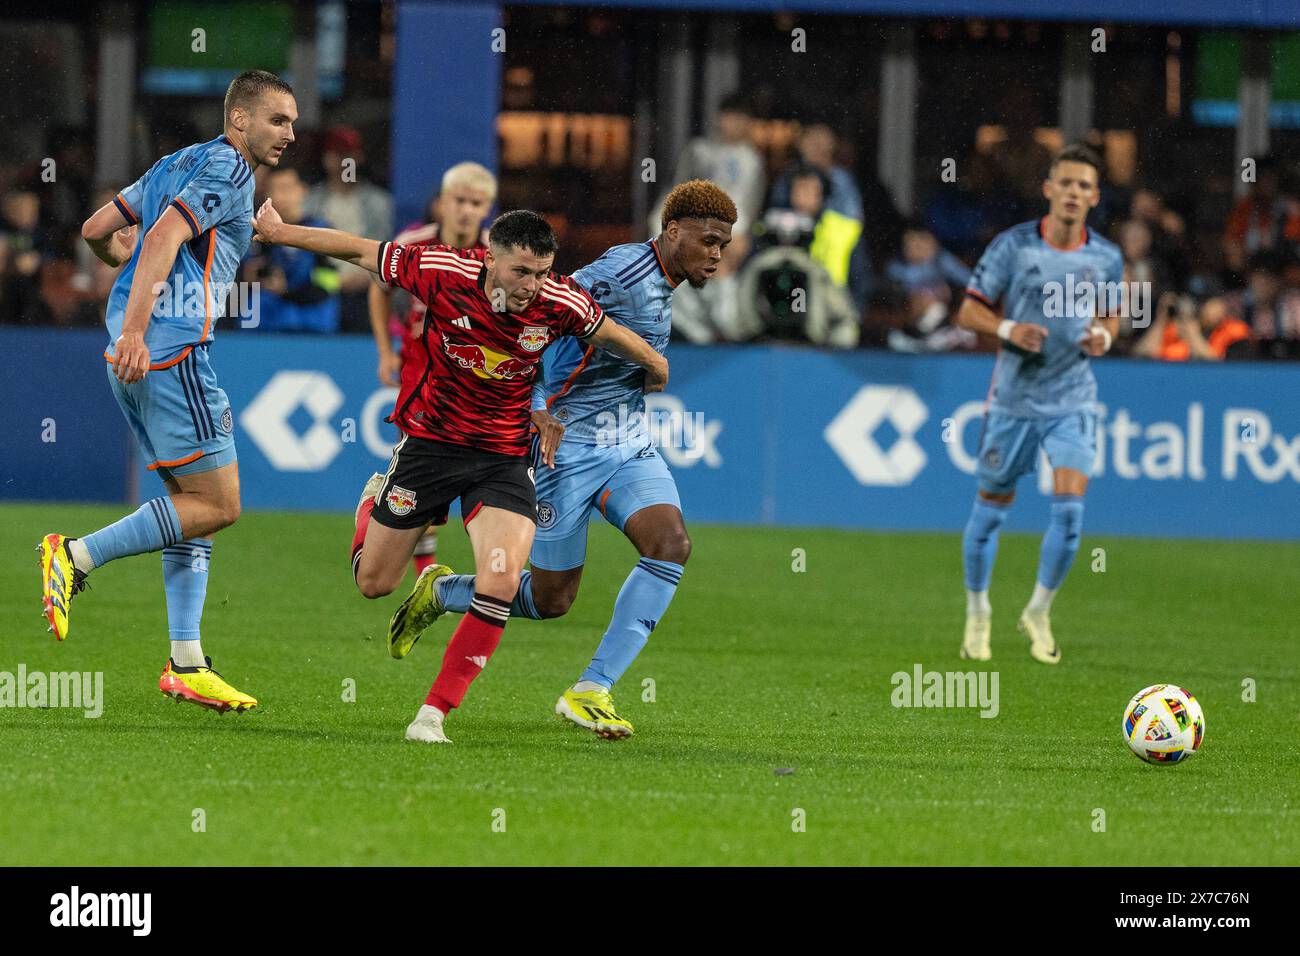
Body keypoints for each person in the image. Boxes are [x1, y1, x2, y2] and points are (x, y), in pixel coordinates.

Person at [250, 203, 669, 744]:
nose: (532, 286)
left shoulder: (560, 300)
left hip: (501, 456)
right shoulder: (442, 270)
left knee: (497, 581)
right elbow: (358, 250)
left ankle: (433, 715)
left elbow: (607, 331)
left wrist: (655, 364)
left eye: (542, 273)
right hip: (430, 446)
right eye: (521, 272)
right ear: (490, 257)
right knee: (374, 583)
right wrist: (281, 233)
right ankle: (372, 503)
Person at [416, 179, 736, 739]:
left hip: (627, 441)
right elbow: (535, 312)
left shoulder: (663, 281)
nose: (715, 255)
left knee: (671, 544)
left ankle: (591, 689)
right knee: (550, 598)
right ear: (674, 231)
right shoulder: (620, 277)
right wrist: (536, 405)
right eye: (708, 241)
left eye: (723, 247)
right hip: (564, 451)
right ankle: (442, 592)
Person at [38, 70, 298, 713]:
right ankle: (75, 556)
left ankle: (186, 661)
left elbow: (99, 228)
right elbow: (159, 238)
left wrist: (122, 298)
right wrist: (136, 330)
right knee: (222, 503)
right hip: (170, 352)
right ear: (240, 120)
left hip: (133, 357)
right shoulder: (230, 170)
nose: (290, 134)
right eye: (277, 120)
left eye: (292, 122)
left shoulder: (172, 162)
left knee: (192, 501)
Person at [955, 143, 1124, 664]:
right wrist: (1008, 328)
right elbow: (968, 312)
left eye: (1083, 186)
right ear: (1049, 189)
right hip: (1013, 401)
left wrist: (1105, 337)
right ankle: (978, 612)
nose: (1073, 192)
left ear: (1094, 196)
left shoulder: (1107, 258)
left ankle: (1038, 610)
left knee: (1071, 514)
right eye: (1065, 183)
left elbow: (1112, 315)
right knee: (989, 516)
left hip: (1073, 399)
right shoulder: (1014, 247)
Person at [366, 161, 495, 575]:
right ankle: (426, 567)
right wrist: (386, 351)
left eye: (476, 203)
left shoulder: (497, 252)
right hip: (421, 372)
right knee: (424, 466)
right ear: (442, 202)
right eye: (459, 200)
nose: (466, 211)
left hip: (476, 379)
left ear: (487, 207)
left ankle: (438, 560)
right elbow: (379, 288)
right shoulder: (414, 241)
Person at [240, 165, 340, 332]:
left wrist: (287, 291)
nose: (279, 197)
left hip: (312, 315)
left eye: (286, 188)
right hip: (269, 315)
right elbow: (250, 276)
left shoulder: (321, 230)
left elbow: (330, 285)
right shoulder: (255, 232)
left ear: (302, 190)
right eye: (274, 190)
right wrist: (247, 278)